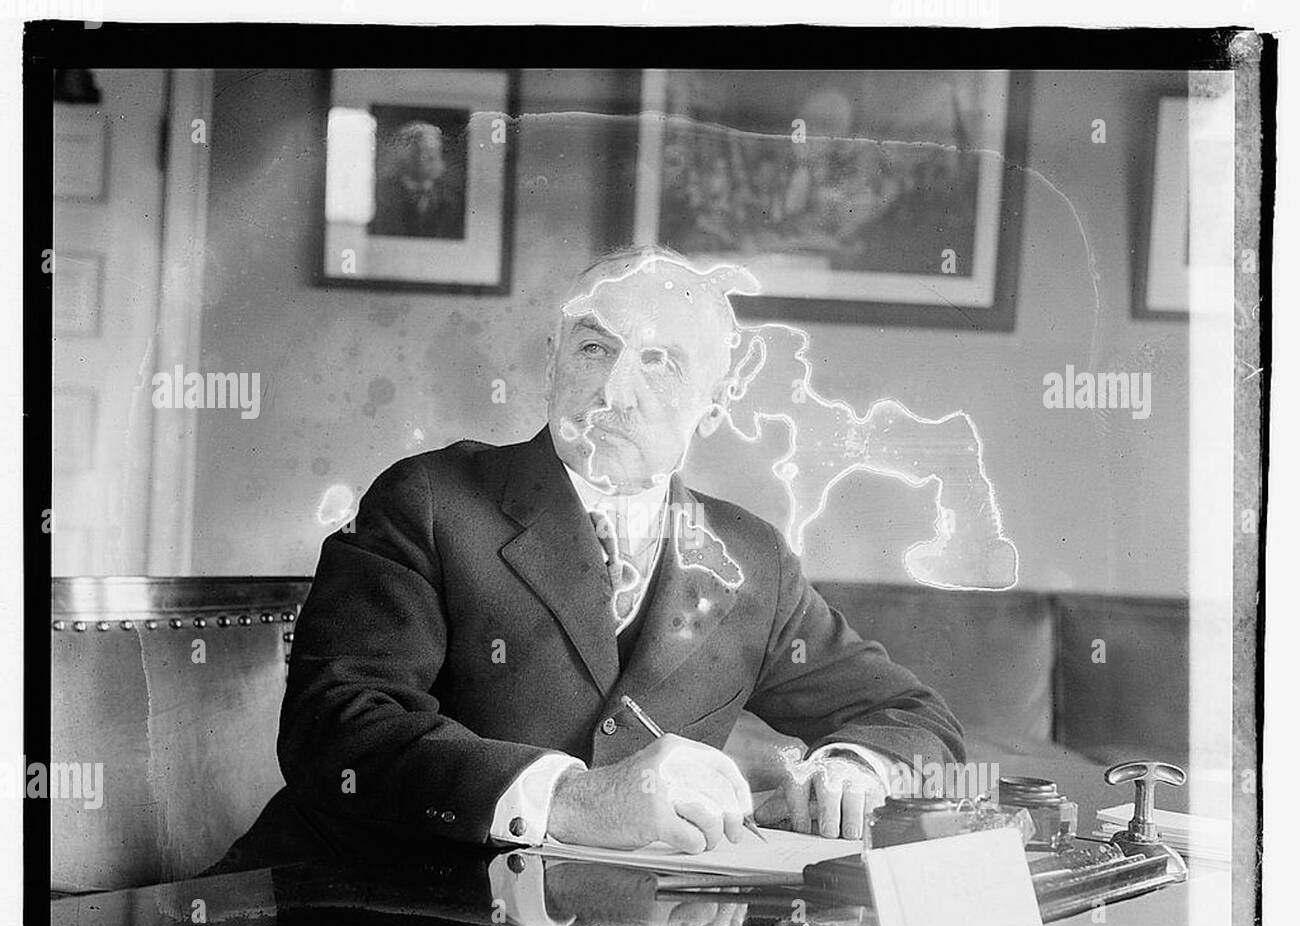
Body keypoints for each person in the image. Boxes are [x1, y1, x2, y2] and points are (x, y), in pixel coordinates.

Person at [248, 245, 964, 866]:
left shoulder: (750, 559)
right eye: (595, 348)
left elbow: (912, 715)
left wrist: (853, 769)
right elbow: (336, 728)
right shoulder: (429, 501)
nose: (615, 392)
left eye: (660, 363)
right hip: (370, 915)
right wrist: (573, 798)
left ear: (712, 407)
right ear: (552, 364)